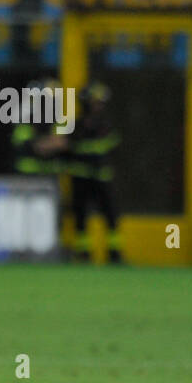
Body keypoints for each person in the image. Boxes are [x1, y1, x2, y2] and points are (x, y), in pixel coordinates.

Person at [62, 82, 123, 262]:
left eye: (100, 102)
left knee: (111, 216)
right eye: (95, 102)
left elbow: (111, 148)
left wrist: (80, 147)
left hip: (101, 177)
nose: (99, 106)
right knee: (80, 216)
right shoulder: (74, 124)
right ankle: (83, 254)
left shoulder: (106, 124)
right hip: (80, 177)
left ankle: (115, 254)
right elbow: (66, 147)